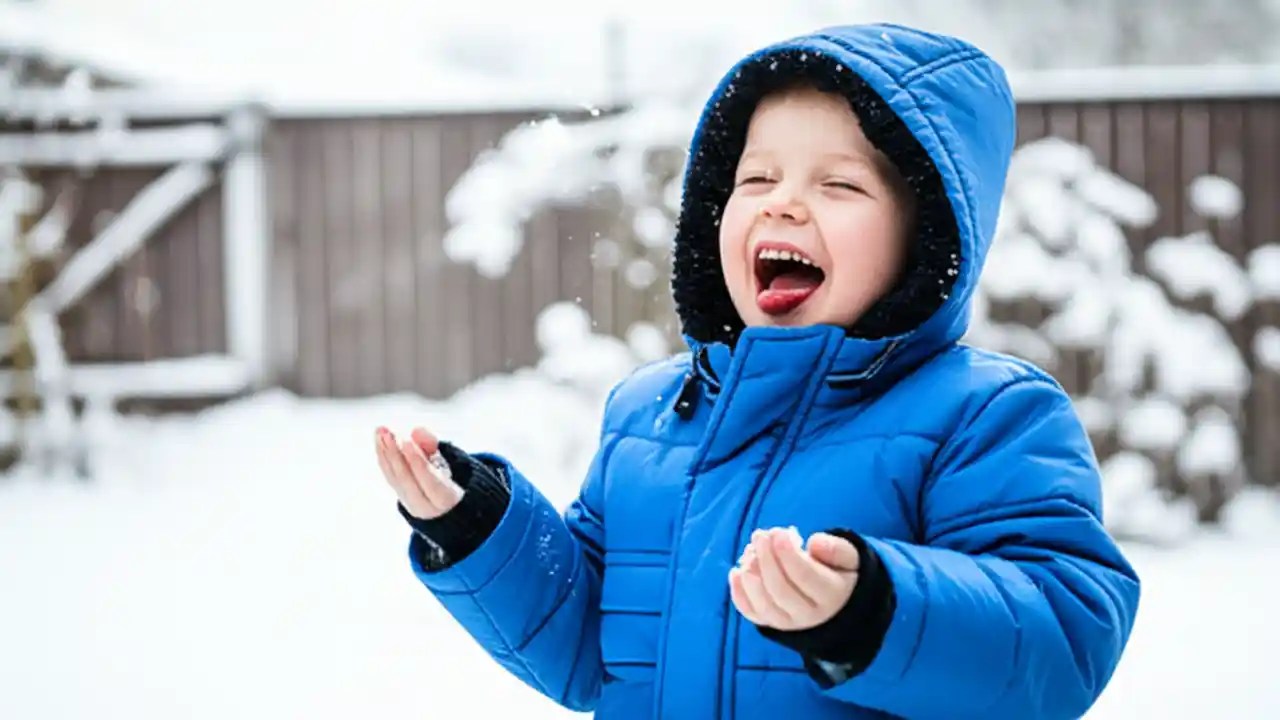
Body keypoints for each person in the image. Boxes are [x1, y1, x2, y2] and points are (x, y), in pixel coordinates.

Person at [373, 22, 1140, 720]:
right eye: (758, 179)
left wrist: (872, 611)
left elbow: (1061, 640)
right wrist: (476, 528)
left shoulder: (980, 415)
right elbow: (585, 647)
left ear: (925, 234)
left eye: (838, 185)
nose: (784, 207)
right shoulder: (650, 416)